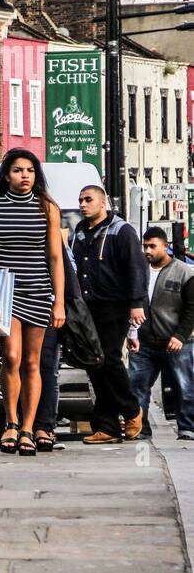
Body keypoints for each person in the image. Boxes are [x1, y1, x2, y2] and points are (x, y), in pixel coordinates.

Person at [0, 150, 65, 456]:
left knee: (32, 361)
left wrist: (60, 302)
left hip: (38, 290)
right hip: (6, 292)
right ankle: (10, 423)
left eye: (29, 170)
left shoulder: (47, 208)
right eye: (17, 170)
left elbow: (56, 258)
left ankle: (28, 427)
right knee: (11, 356)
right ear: (6, 175)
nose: (24, 175)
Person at [70, 184, 146, 444]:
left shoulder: (121, 230)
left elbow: (136, 267)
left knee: (111, 359)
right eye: (80, 200)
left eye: (88, 199)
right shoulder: (79, 232)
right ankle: (107, 426)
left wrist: (137, 303)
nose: (82, 204)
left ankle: (132, 409)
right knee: (95, 363)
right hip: (87, 308)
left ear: (103, 203)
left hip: (114, 305)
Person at [128, 227, 194, 441]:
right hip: (145, 342)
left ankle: (187, 428)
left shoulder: (184, 272)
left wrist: (181, 336)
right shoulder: (139, 271)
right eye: (145, 246)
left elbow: (192, 308)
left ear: (165, 247)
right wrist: (132, 333)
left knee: (184, 386)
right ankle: (141, 428)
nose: (147, 250)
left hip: (177, 342)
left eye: (152, 246)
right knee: (137, 386)